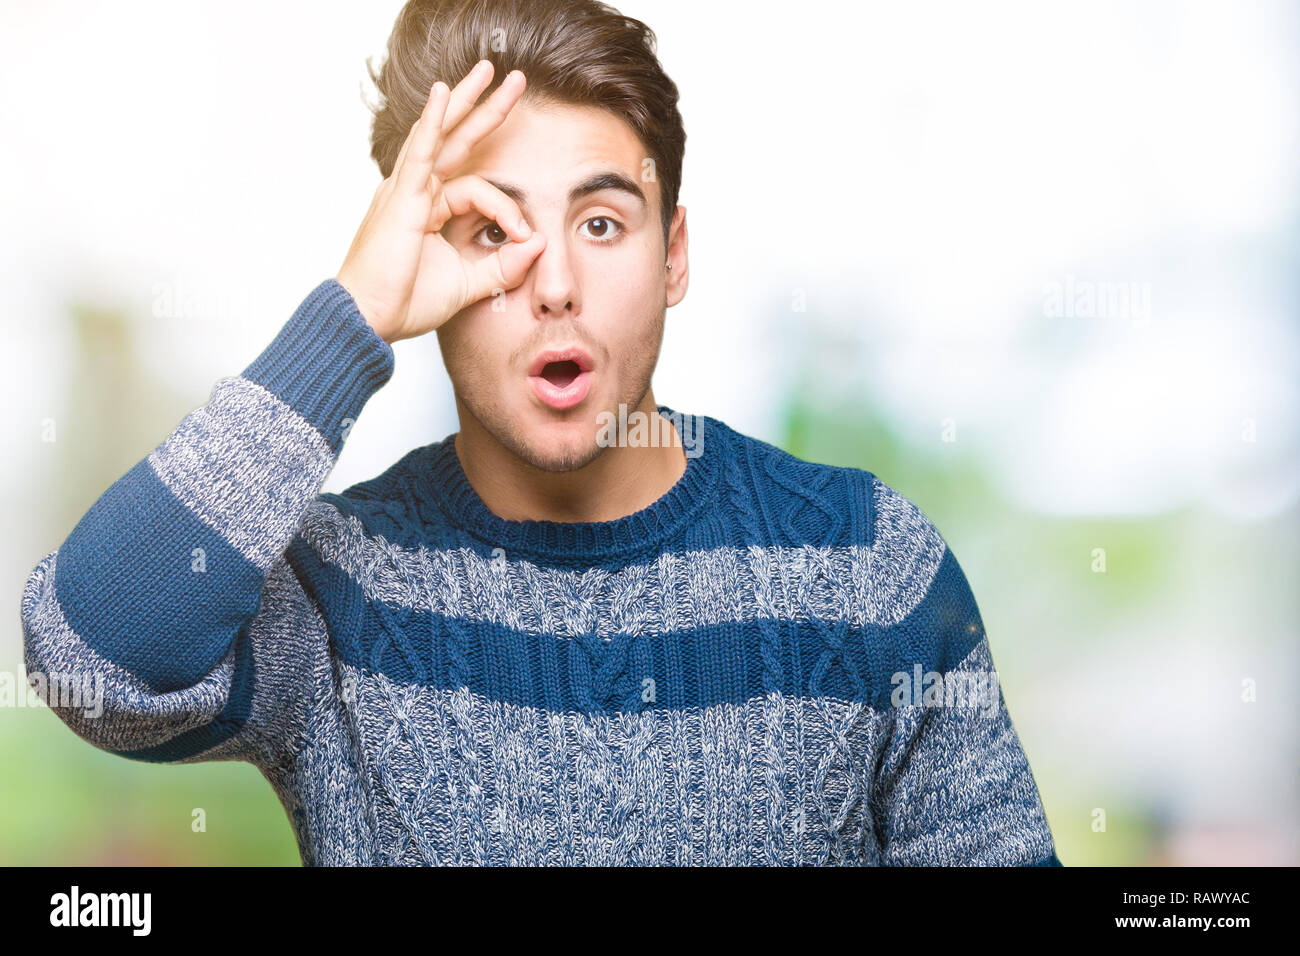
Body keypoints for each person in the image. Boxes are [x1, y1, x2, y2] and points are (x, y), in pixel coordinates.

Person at [19, 0, 1060, 866]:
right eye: (492, 230)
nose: (554, 283)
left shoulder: (866, 562)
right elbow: (87, 654)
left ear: (673, 255)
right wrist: (350, 319)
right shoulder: (339, 590)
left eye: (600, 224)